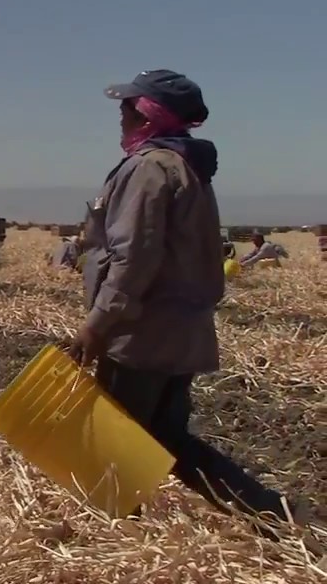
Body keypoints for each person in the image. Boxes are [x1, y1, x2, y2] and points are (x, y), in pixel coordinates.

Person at [74, 69, 307, 535]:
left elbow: (132, 258)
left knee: (117, 439)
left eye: (129, 107)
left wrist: (97, 326)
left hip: (141, 333)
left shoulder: (150, 168)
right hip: (181, 332)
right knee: (166, 436)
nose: (120, 116)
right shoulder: (188, 166)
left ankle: (119, 532)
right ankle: (267, 509)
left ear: (149, 114)